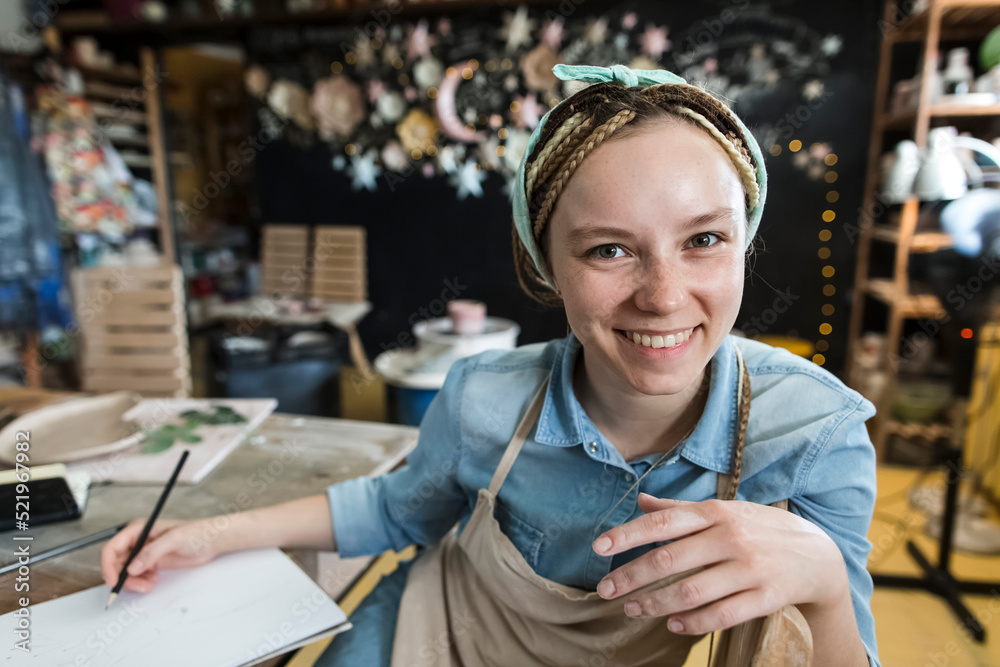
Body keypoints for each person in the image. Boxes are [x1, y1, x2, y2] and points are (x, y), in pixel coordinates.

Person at [102, 64, 881, 667]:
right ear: (547, 262)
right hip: (430, 635)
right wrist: (211, 534)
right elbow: (398, 508)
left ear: (744, 240)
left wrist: (821, 583)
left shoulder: (812, 435)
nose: (664, 295)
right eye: (610, 248)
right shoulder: (484, 397)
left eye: (704, 239)